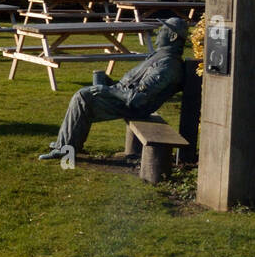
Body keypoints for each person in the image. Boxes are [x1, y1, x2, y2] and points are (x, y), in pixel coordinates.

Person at [39, 17, 188, 161]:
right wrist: (112, 84)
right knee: (87, 94)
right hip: (125, 97)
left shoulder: (168, 65)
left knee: (83, 97)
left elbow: (138, 99)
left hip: (134, 107)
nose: (159, 32)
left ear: (173, 36)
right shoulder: (162, 56)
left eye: (163, 29)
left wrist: (109, 91)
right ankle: (69, 142)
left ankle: (65, 147)